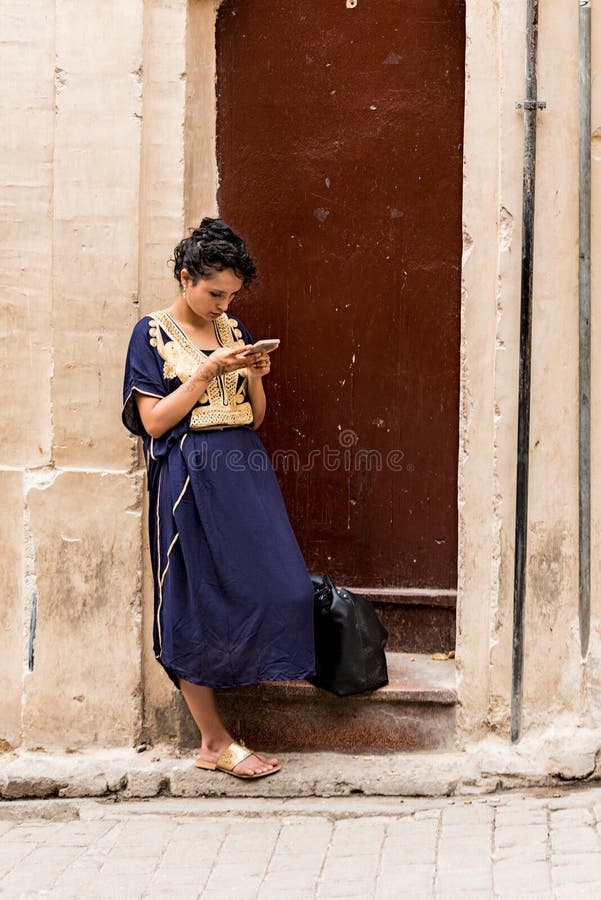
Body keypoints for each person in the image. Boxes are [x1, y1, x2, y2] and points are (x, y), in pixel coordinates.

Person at [122, 218, 316, 779]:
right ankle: (213, 741)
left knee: (286, 588)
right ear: (185, 278)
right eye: (214, 294)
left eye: (231, 296)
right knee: (193, 597)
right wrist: (206, 371)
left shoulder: (233, 330)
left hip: (243, 471)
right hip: (189, 477)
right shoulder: (151, 333)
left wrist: (255, 374)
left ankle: (240, 701)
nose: (223, 306)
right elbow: (154, 422)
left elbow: (254, 417)